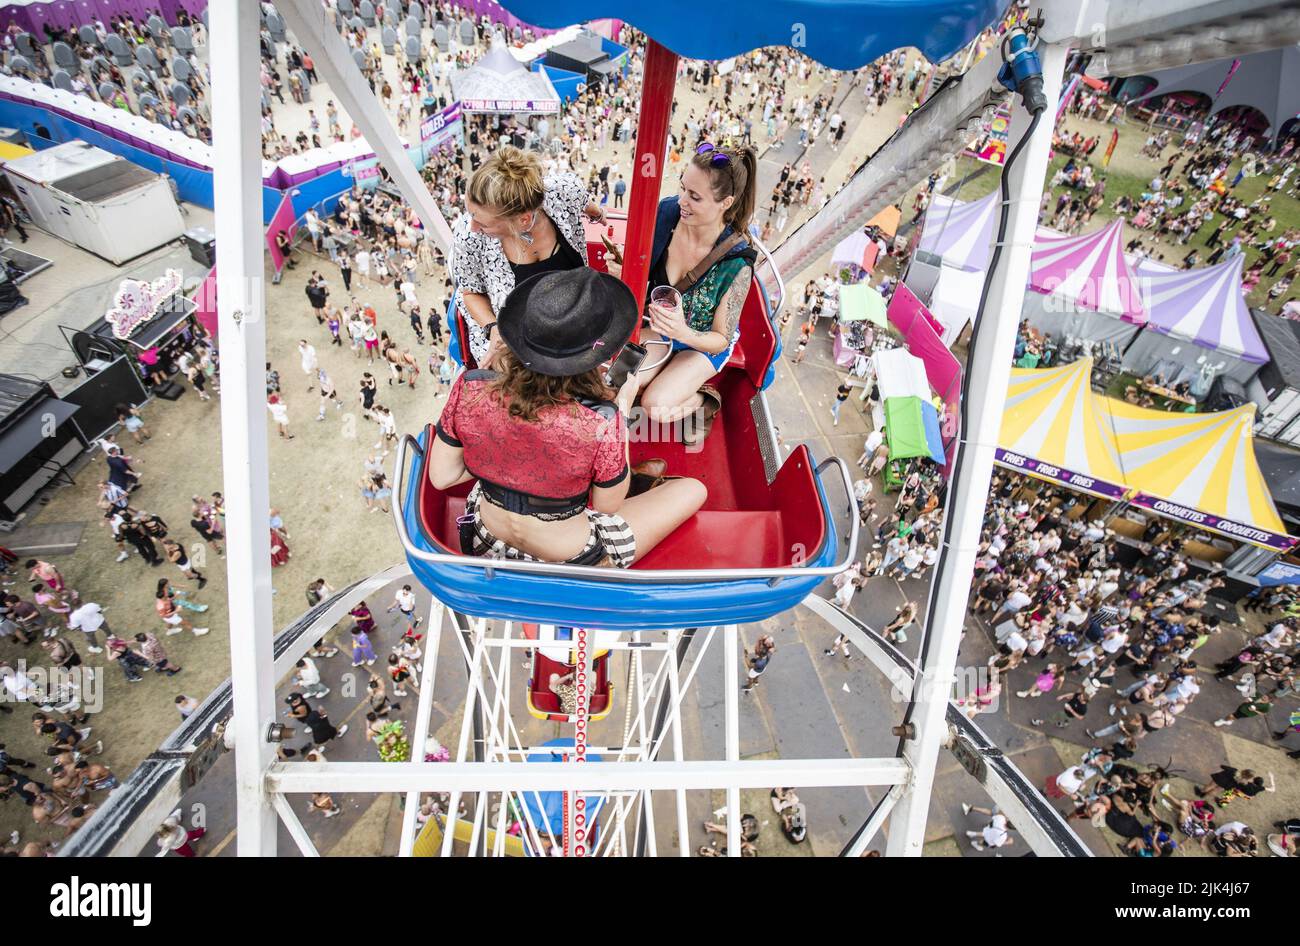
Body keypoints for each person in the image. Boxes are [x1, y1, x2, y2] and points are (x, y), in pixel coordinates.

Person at [429, 269, 706, 569]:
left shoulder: (471, 387)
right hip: (573, 558)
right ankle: (614, 474)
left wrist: (512, 452)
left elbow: (442, 477)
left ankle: (607, 473)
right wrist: (622, 410)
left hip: (485, 541)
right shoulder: (602, 421)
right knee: (694, 490)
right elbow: (606, 507)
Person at [607, 142, 759, 447]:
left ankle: (702, 402)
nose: (681, 201)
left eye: (694, 196)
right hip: (660, 325)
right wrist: (625, 270)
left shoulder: (737, 264)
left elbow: (721, 339)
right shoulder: (667, 213)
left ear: (725, 202)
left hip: (702, 342)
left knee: (655, 405)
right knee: (615, 383)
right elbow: (642, 267)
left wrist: (682, 332)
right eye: (682, 188)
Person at [453, 146, 605, 367]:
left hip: (569, 318)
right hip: (512, 339)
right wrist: (493, 328)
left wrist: (599, 214)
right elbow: (470, 292)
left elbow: (585, 202)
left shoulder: (563, 191)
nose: (473, 227)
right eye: (471, 214)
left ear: (523, 220)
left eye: (482, 222)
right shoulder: (469, 236)